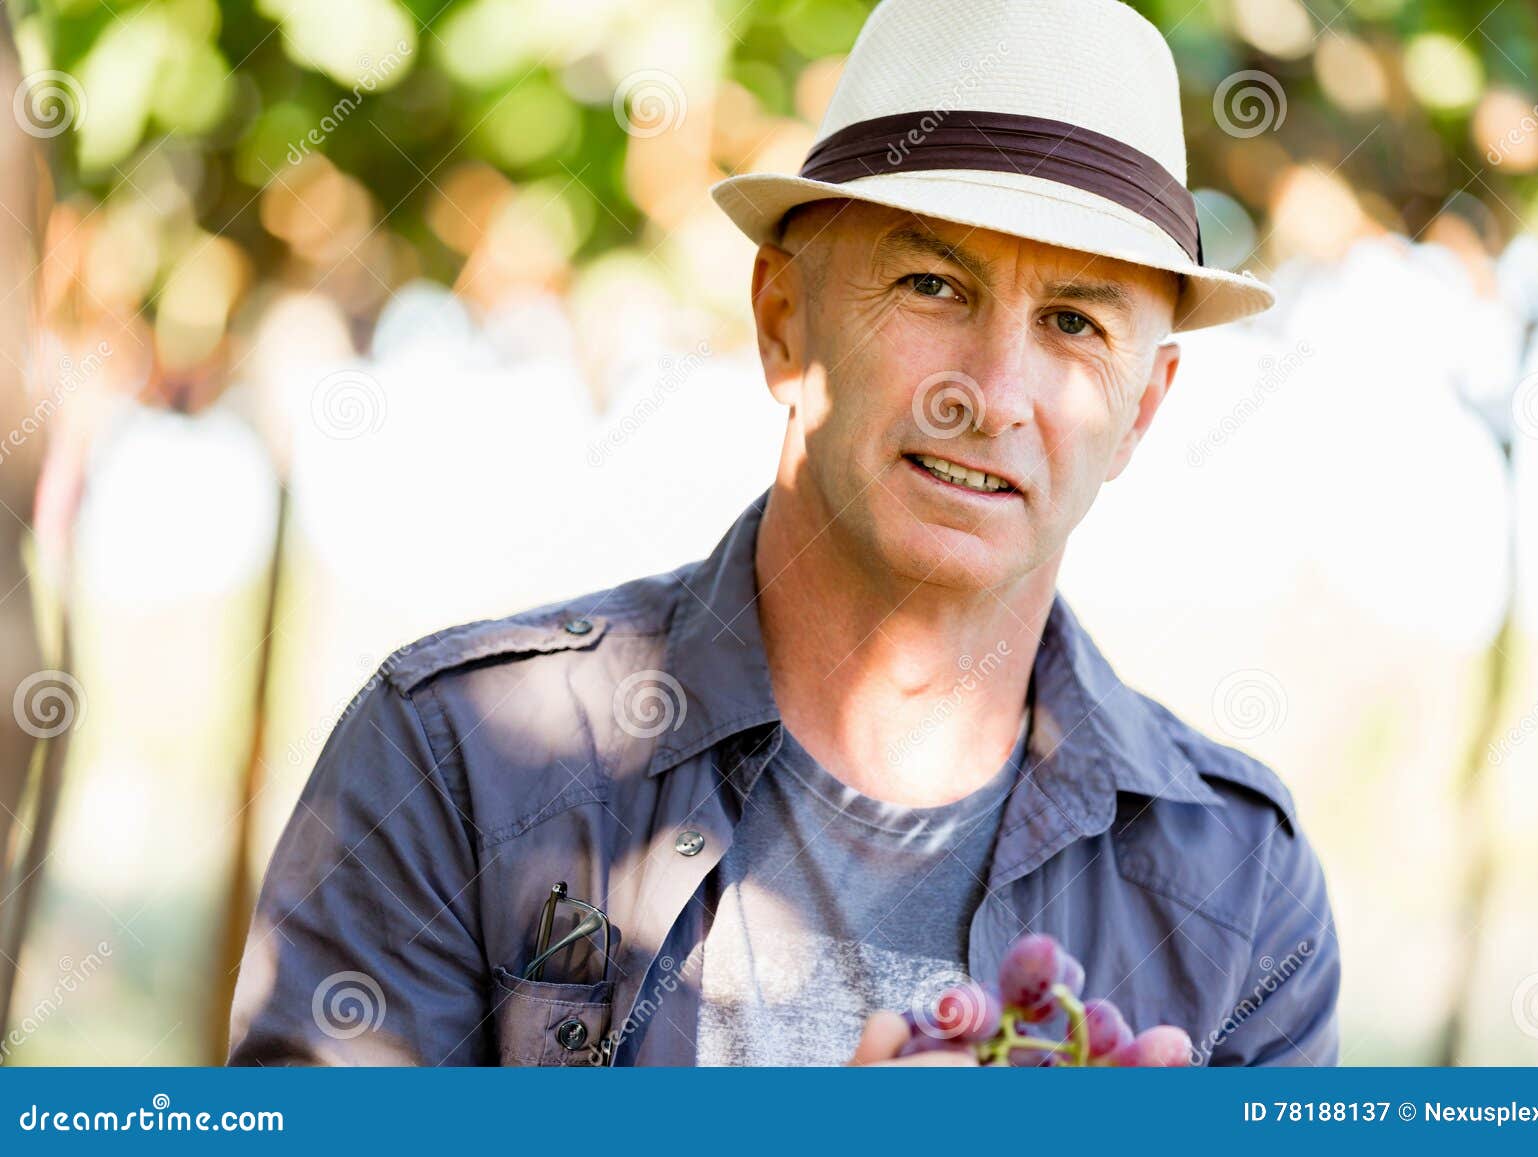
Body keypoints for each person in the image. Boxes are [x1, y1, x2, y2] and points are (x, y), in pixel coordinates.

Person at [229, 0, 1339, 1067]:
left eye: (1072, 322)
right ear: (782, 320)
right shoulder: (460, 761)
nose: (994, 393)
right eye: (931, 283)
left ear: (1142, 407)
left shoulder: (1240, 892)